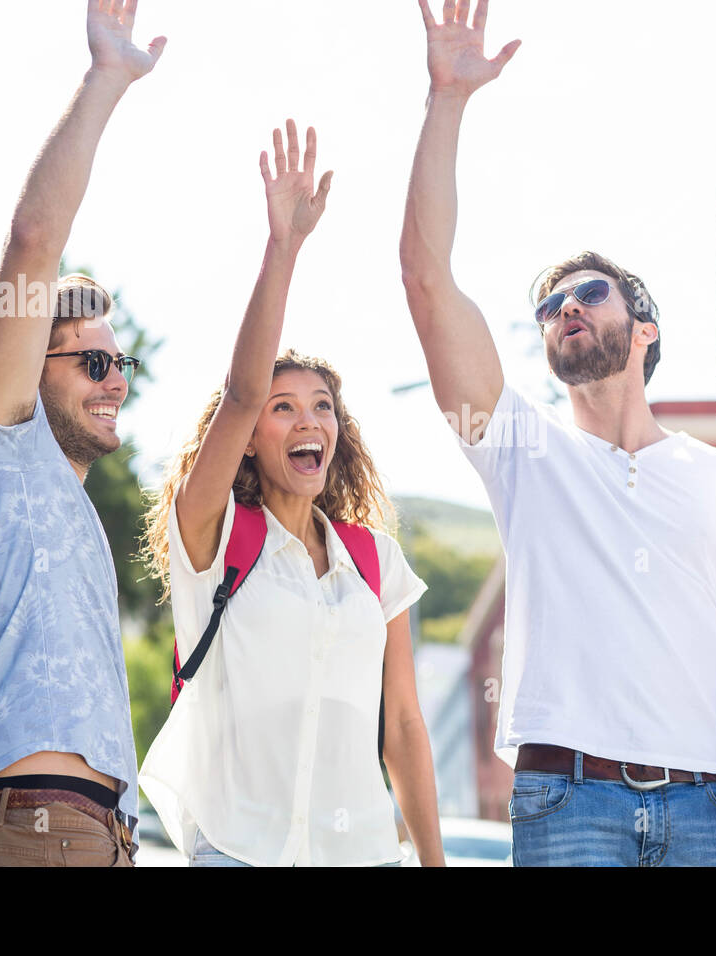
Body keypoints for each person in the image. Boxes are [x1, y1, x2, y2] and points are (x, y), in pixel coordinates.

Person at [398, 0, 716, 867]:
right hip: (565, 801)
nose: (566, 307)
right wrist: (447, 102)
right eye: (550, 306)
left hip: (711, 808)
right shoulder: (519, 449)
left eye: (588, 293)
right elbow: (427, 280)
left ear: (644, 330)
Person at [139, 121, 444, 867]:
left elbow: (401, 723)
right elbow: (241, 390)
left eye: (322, 407)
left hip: (364, 853)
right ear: (247, 435)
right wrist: (284, 248)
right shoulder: (214, 537)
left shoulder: (374, 562)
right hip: (237, 848)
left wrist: (434, 864)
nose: (308, 420)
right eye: (284, 408)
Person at [0, 0, 166, 866]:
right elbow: (35, 244)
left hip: (105, 837)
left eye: (120, 364)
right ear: (31, 364)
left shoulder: (76, 515)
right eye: (90, 364)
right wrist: (105, 80)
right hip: (26, 831)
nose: (115, 382)